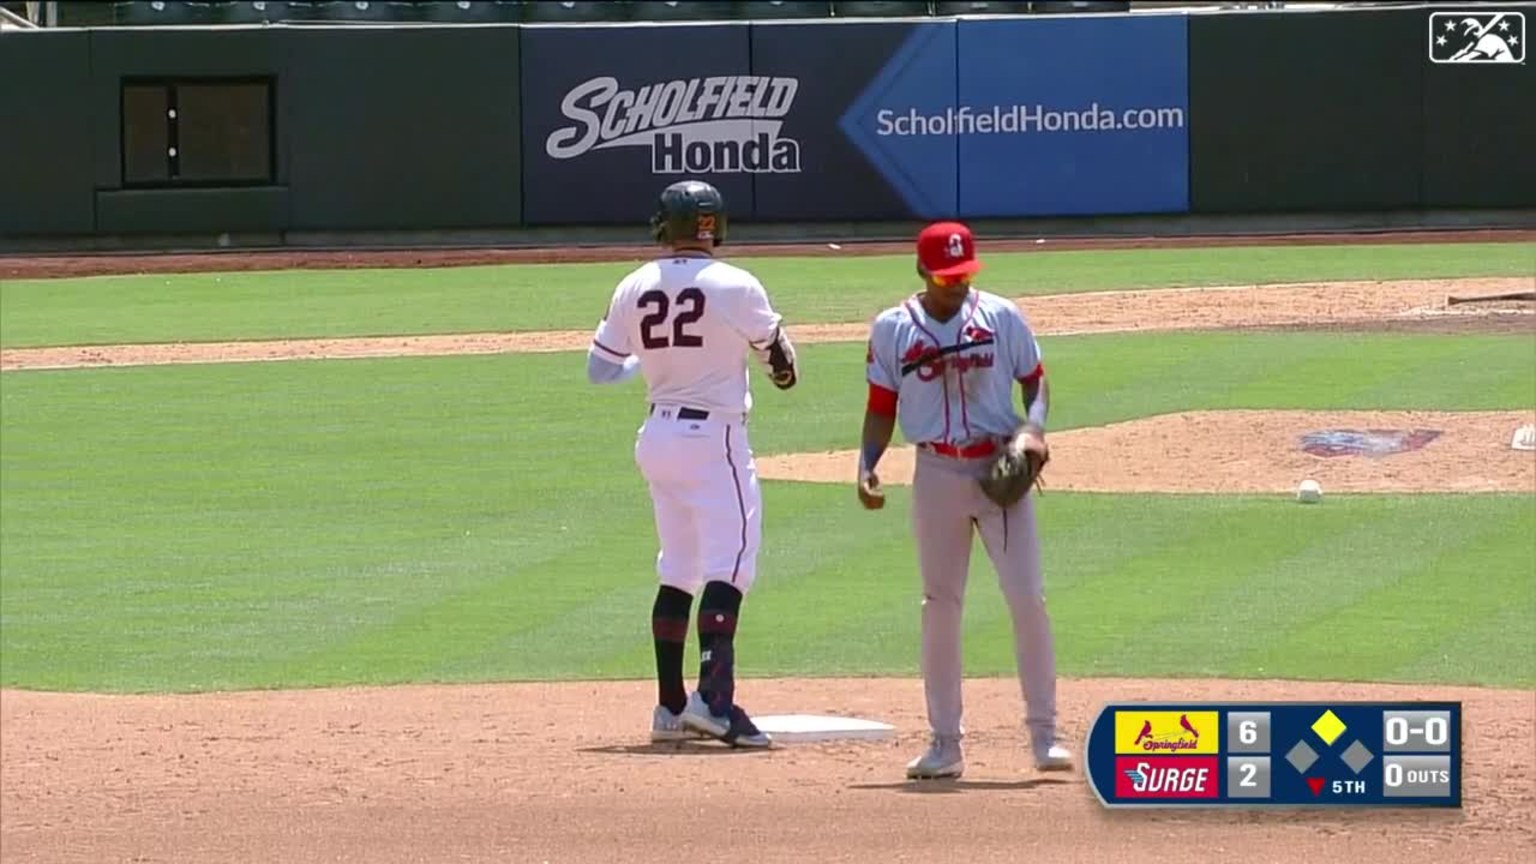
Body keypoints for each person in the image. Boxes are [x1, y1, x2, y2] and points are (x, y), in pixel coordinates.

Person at [585, 179, 798, 749]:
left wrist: (650, 365)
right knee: (730, 568)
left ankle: (671, 705)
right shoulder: (736, 283)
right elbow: (782, 364)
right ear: (715, 227)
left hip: (657, 434)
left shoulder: (634, 283)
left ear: (665, 226)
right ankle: (716, 703)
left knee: (677, 567)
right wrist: (772, 364)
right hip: (715, 438)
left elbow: (600, 369)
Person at [856, 221, 1073, 779]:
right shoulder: (892, 329)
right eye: (946, 276)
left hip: (998, 467)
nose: (956, 284)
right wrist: (867, 465)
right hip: (935, 472)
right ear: (922, 271)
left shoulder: (1000, 316)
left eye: (963, 274)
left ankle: (1044, 735)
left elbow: (1036, 379)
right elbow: (881, 404)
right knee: (940, 607)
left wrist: (1034, 429)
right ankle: (944, 744)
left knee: (1027, 599)